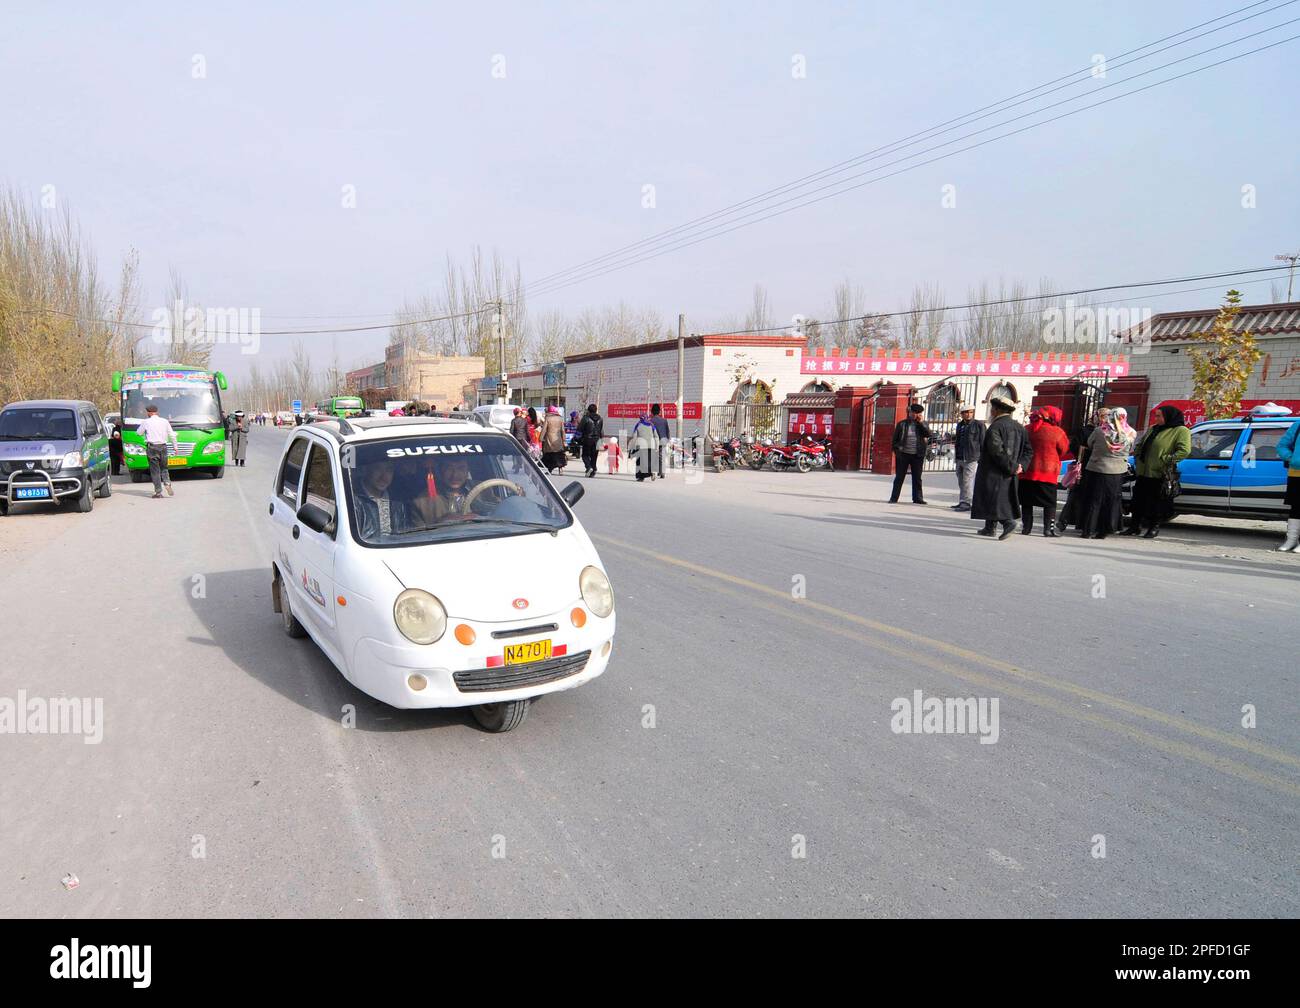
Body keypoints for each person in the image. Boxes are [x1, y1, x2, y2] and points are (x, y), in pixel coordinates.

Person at [971, 395, 1033, 540]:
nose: (991, 411)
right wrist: (1021, 466)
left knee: (991, 497)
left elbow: (997, 451)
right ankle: (989, 528)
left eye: (992, 408)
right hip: (1011, 471)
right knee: (997, 497)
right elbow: (1028, 450)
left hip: (995, 470)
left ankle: (1007, 522)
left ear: (996, 410)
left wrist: (1011, 467)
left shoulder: (995, 427)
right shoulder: (1019, 427)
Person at [1126, 404, 1192, 539]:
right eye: (1156, 415)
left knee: (1156, 502)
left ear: (1168, 416)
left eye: (1159, 416)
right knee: (1138, 500)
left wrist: (1166, 459)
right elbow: (1142, 443)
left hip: (1160, 473)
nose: (1156, 418)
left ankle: (1153, 527)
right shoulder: (1154, 429)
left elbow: (1184, 451)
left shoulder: (1180, 430)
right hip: (1144, 471)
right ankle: (1134, 526)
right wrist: (1137, 454)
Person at [1079, 406, 1135, 539]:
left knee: (1094, 499)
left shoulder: (1100, 431)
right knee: (1111, 500)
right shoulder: (1131, 433)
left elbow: (1090, 443)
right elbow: (1130, 449)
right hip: (1117, 471)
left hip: (1097, 468)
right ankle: (1105, 530)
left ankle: (1088, 530)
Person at [1019, 405, 1069, 536]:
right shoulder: (1057, 432)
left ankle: (1026, 528)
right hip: (1048, 473)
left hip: (1027, 471)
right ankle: (1048, 529)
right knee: (1049, 503)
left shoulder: (1027, 429)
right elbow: (1063, 450)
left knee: (1026, 502)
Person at [352, 458, 411, 538]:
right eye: (378, 468)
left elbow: (406, 536)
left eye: (389, 470)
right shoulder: (352, 499)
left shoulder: (398, 501)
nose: (384, 477)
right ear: (366, 469)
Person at [888, 403, 931, 504]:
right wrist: (897, 452)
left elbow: (928, 434)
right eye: (913, 412)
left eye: (917, 413)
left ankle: (918, 498)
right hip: (903, 454)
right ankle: (894, 498)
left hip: (917, 455)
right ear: (909, 412)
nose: (914, 415)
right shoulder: (902, 424)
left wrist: (920, 423)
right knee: (899, 477)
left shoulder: (923, 424)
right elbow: (895, 440)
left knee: (917, 477)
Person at [138, 403, 178, 498]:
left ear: (148, 413)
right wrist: (175, 447)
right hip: (163, 447)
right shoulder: (164, 421)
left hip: (152, 448)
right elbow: (172, 435)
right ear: (157, 412)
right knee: (164, 468)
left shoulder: (146, 422)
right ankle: (167, 483)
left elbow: (139, 433)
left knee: (155, 470)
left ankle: (158, 492)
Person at [951, 405, 984, 512]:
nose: (968, 414)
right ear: (962, 414)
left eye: (970, 412)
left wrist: (982, 457)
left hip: (971, 457)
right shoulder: (960, 425)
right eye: (966, 412)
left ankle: (967, 502)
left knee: (967, 480)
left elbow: (983, 441)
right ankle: (962, 500)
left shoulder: (978, 425)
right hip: (960, 456)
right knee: (961, 480)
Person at [1275, 416, 1300, 552]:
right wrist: (1291, 458)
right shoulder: (1298, 425)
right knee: (1295, 508)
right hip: (1296, 473)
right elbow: (1282, 445)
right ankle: (1291, 540)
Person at [629, 413, 659, 481]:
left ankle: (641, 477)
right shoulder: (651, 425)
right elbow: (656, 436)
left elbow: (634, 437)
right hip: (651, 446)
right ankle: (651, 472)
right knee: (649, 461)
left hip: (641, 446)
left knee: (640, 462)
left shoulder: (638, 425)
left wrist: (632, 446)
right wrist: (657, 446)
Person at [578, 404, 604, 477]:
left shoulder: (585, 418)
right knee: (594, 456)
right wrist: (601, 440)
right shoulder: (600, 419)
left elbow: (580, 429)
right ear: (596, 410)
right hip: (597, 440)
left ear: (588, 410)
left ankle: (589, 467)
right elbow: (601, 430)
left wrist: (577, 437)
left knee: (585, 455)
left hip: (587, 439)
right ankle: (593, 471)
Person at [541, 405, 567, 473]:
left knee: (550, 455)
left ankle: (550, 470)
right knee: (559, 454)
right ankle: (560, 468)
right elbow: (563, 430)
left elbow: (544, 429)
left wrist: (541, 438)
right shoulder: (560, 418)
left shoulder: (547, 418)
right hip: (558, 439)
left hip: (549, 439)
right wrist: (564, 439)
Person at [649, 404, 671, 478]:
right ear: (659, 412)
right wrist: (668, 439)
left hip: (654, 441)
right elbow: (667, 431)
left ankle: (654, 472)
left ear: (652, 412)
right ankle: (662, 472)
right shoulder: (664, 420)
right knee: (662, 457)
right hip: (663, 440)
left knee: (653, 456)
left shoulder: (650, 421)